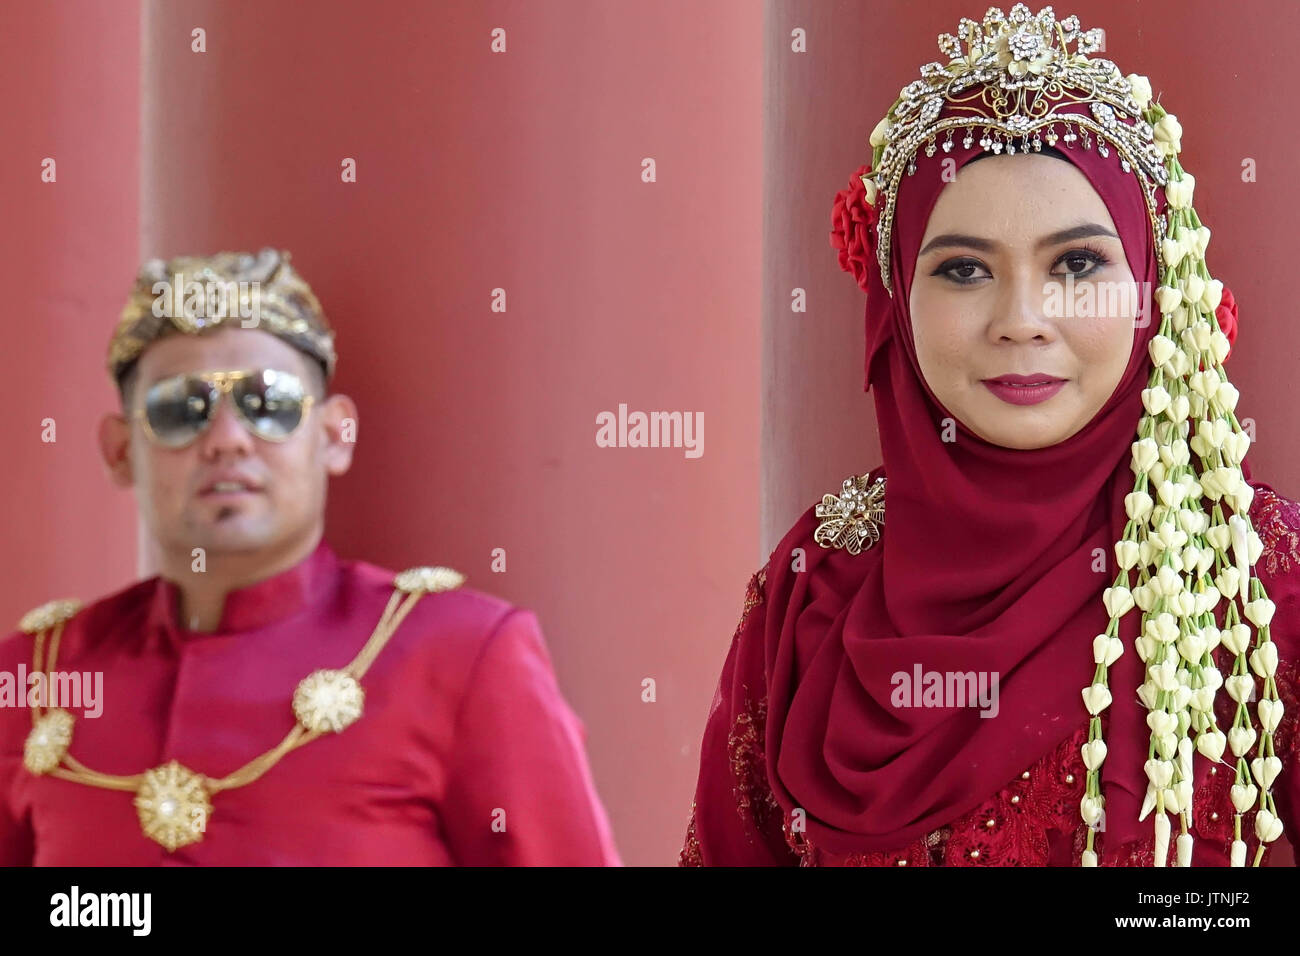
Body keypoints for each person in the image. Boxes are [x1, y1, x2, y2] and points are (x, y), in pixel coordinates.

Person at [681, 5, 1300, 867]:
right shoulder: (815, 590)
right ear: (895, 297)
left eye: (1078, 264)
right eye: (964, 270)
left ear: (1151, 289)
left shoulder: (1250, 591)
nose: (1022, 320)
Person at [0, 248, 620, 865]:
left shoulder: (457, 656)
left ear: (333, 435)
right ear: (118, 451)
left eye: (268, 404)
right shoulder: (39, 675)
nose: (226, 440)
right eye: (179, 410)